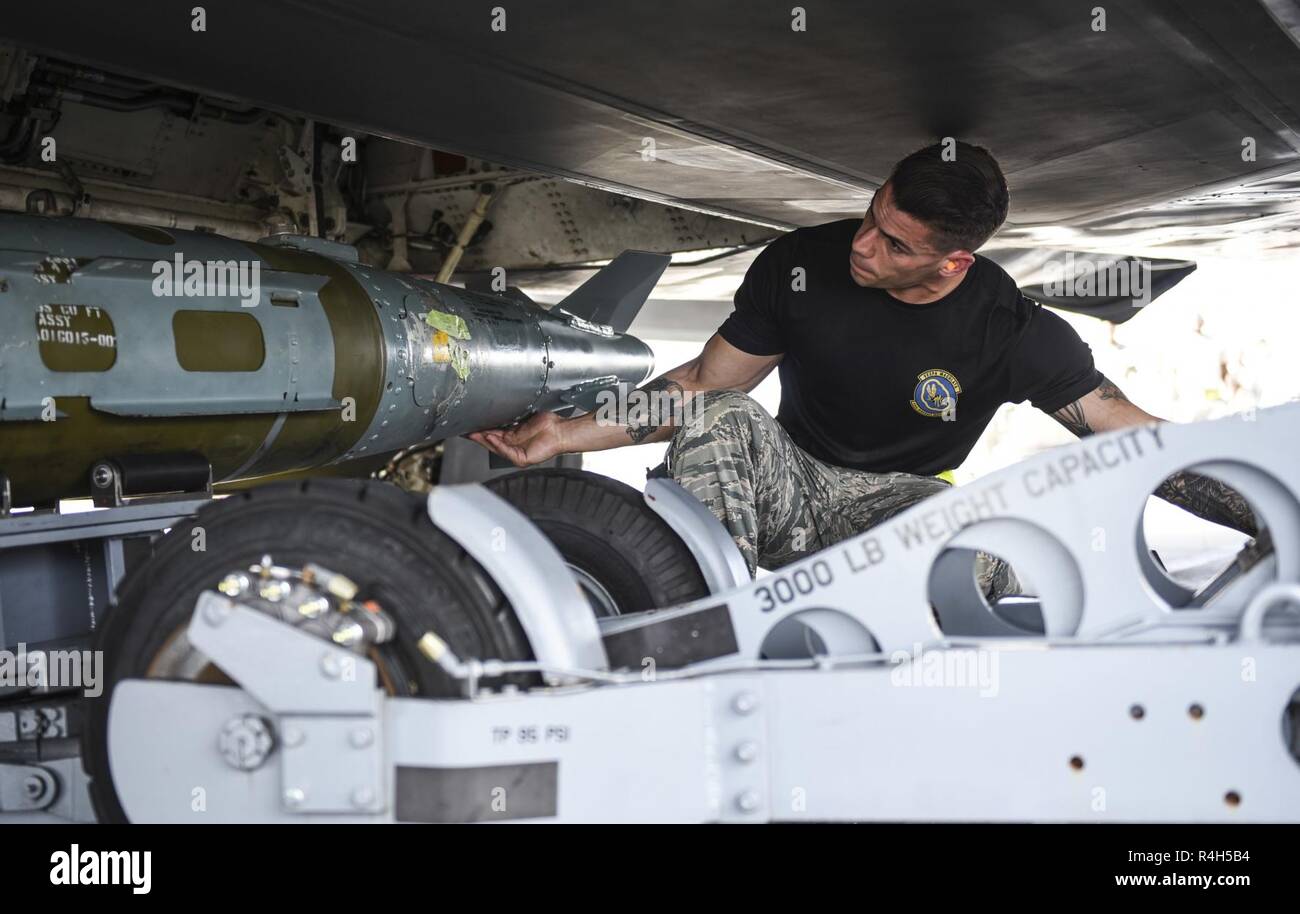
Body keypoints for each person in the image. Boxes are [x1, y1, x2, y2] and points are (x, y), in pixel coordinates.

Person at [471, 141, 1256, 591]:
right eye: (873, 217)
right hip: (787, 482)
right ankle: (704, 623)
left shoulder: (1012, 330)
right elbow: (705, 385)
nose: (864, 246)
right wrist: (561, 437)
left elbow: (1137, 441)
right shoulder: (802, 265)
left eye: (895, 244)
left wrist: (1268, 512)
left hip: (900, 507)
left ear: (951, 263)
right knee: (717, 414)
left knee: (983, 545)